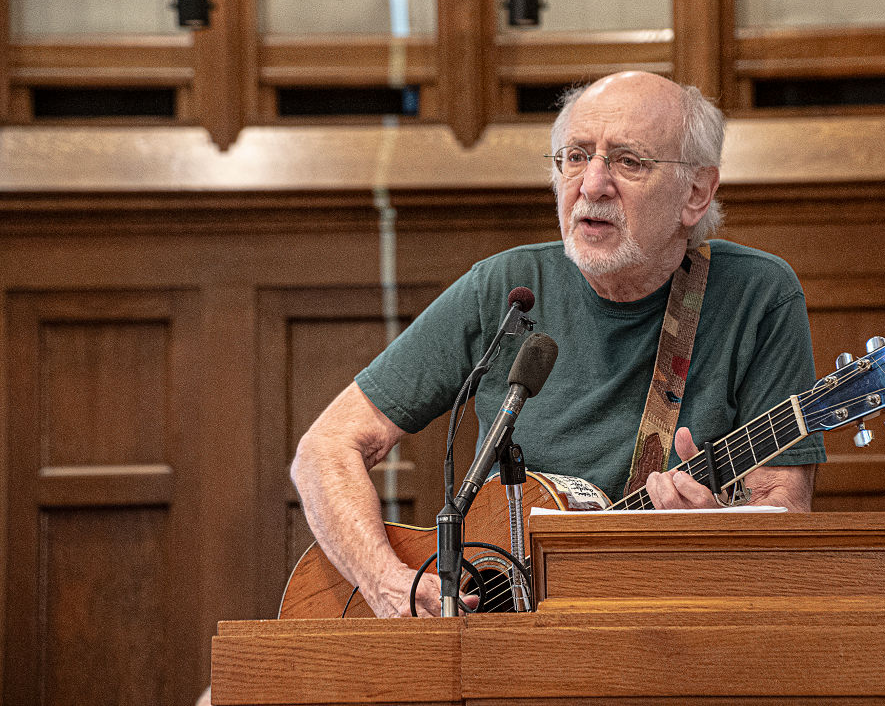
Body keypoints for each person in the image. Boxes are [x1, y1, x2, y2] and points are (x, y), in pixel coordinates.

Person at [290, 71, 826, 618]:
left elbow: (782, 514)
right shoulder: (506, 288)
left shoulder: (759, 295)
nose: (592, 185)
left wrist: (716, 535)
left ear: (696, 192)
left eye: (628, 161)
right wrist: (385, 582)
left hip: (664, 626)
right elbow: (325, 449)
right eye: (575, 157)